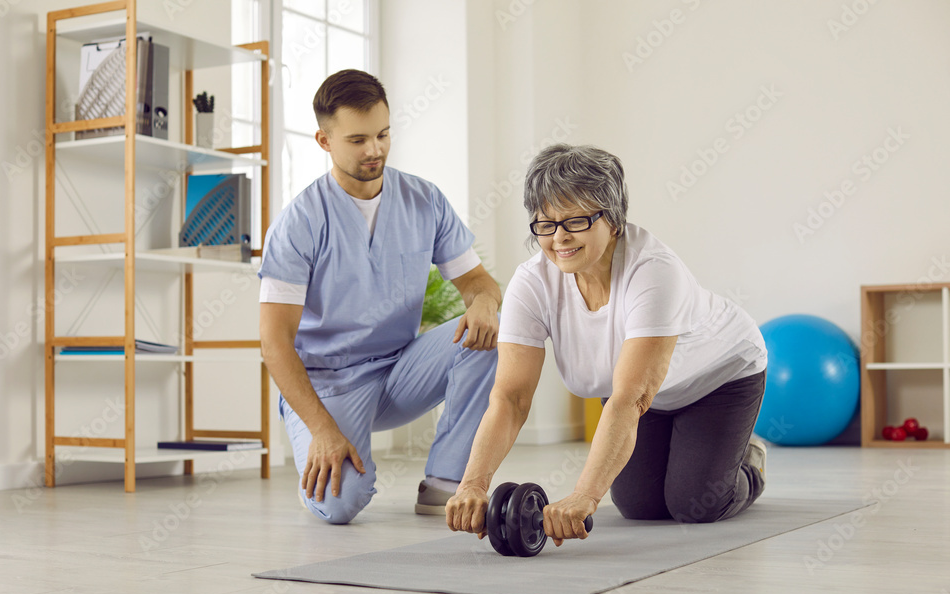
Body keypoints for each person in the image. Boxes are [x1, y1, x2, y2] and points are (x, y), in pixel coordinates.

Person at [446, 144, 768, 545]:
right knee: (640, 506)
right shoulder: (532, 283)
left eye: (576, 221)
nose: (559, 237)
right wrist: (473, 484)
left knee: (693, 504)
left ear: (612, 220)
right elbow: (510, 398)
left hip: (717, 376)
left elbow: (631, 399)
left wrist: (584, 495)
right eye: (545, 223)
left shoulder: (653, 272)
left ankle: (749, 462)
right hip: (638, 394)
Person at [259, 70, 501, 524]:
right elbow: (274, 341)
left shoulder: (424, 199)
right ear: (324, 141)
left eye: (383, 134)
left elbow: (477, 283)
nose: (375, 150)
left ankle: (446, 482)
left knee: (496, 333)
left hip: (399, 370)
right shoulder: (300, 222)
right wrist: (322, 430)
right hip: (328, 384)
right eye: (358, 140)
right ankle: (315, 456)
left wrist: (486, 303)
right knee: (339, 504)